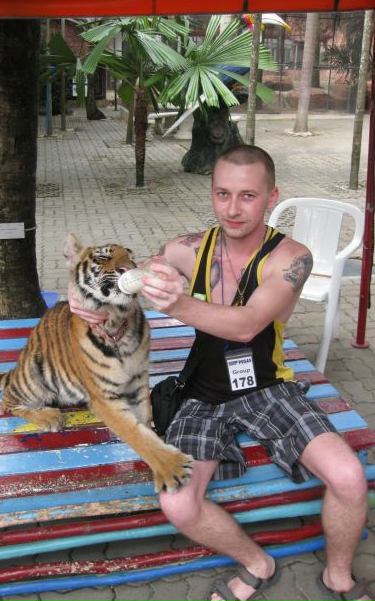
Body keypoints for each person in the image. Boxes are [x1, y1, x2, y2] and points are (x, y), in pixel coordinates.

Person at [69, 145, 370, 601]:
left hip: (268, 387)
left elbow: (248, 325)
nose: (233, 209)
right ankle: (257, 562)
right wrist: (87, 298)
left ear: (271, 197)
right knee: (177, 501)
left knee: (348, 475)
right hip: (202, 393)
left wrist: (177, 303)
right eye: (222, 194)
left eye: (248, 196)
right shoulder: (187, 248)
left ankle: (338, 577)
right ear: (211, 193)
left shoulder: (291, 257)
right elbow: (129, 276)